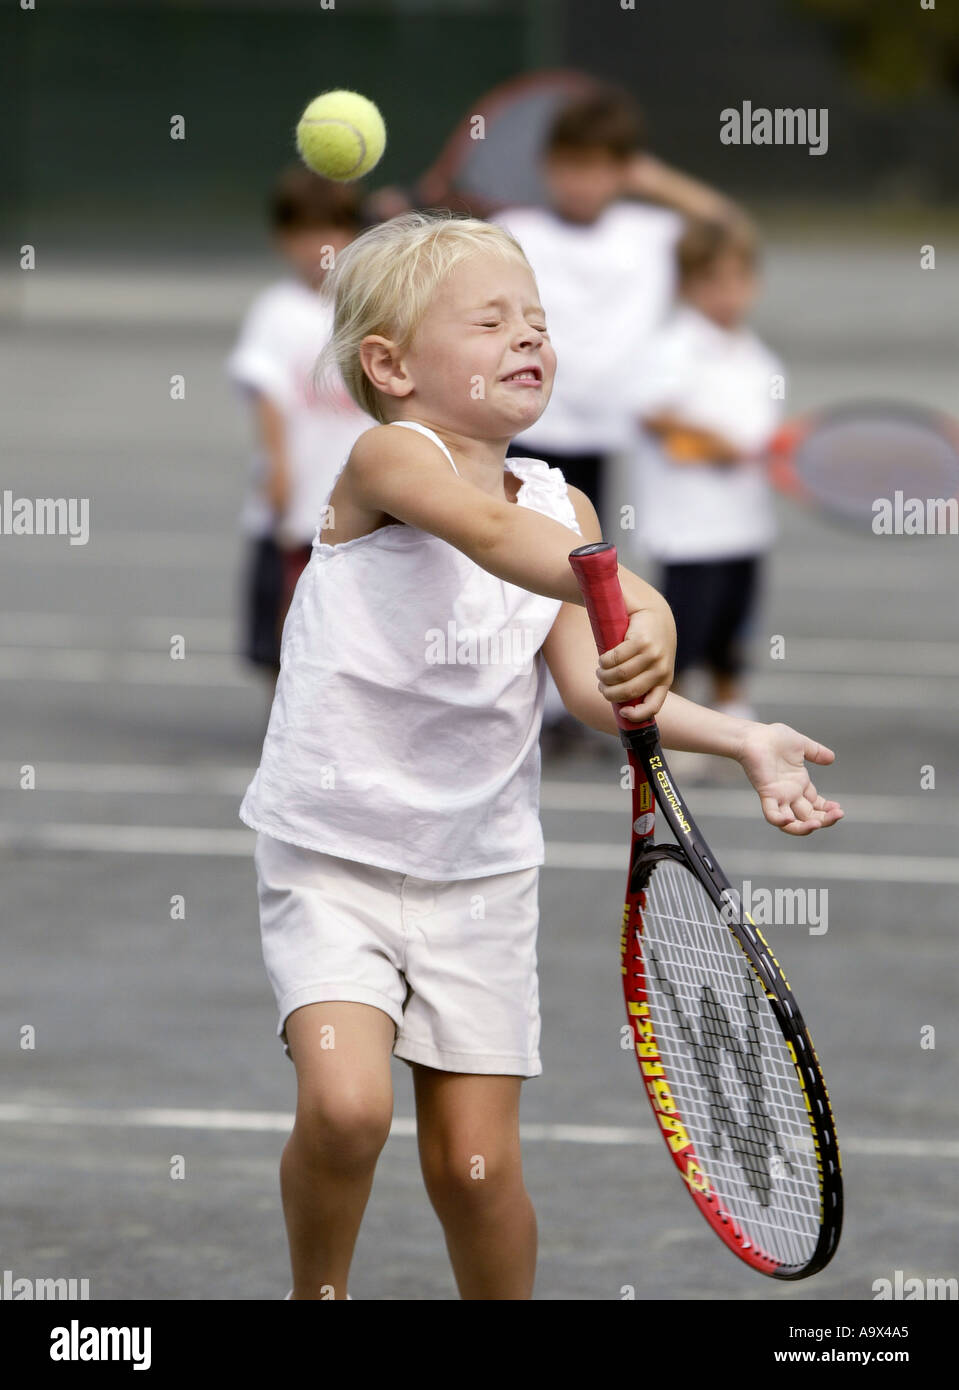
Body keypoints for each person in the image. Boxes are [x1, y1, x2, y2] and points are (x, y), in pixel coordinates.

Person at [238, 211, 843, 1301]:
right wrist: (639, 591)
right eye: (488, 320)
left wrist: (738, 733)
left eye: (538, 321)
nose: (528, 338)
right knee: (347, 1109)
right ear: (390, 365)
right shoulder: (390, 458)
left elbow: (596, 693)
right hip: (334, 856)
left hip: (479, 872)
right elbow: (490, 538)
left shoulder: (556, 497)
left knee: (475, 1168)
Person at [488, 83, 738, 750]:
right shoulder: (520, 230)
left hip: (608, 437)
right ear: (547, 167)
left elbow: (726, 223)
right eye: (570, 164)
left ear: (621, 170)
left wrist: (648, 177)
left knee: (585, 573)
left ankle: (577, 704)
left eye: (601, 165)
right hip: (531, 426)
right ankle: (525, 702)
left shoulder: (650, 231)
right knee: (516, 566)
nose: (582, 180)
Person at [227, 167, 375, 692]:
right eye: (305, 234)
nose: (321, 247)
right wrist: (278, 466)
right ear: (282, 240)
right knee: (280, 636)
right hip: (292, 501)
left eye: (333, 231)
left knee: (347, 633)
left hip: (357, 509)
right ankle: (286, 725)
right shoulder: (277, 310)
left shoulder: (371, 308)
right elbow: (266, 393)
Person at [633, 216, 782, 721]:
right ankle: (669, 723)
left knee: (733, 628)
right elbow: (656, 417)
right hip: (689, 532)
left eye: (738, 279)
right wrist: (717, 444)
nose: (727, 293)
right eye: (711, 281)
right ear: (685, 286)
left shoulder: (759, 359)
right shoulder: (672, 348)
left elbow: (764, 441)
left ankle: (731, 710)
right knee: (683, 634)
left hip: (746, 528)